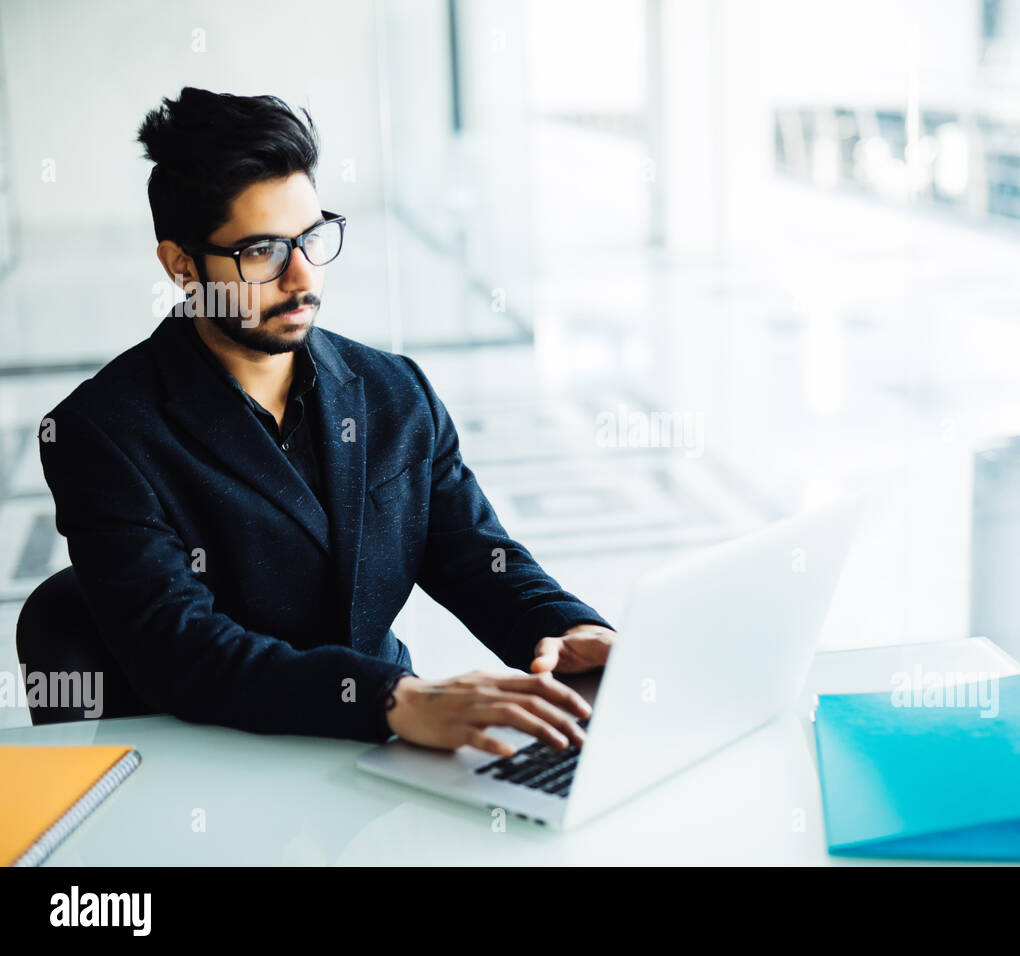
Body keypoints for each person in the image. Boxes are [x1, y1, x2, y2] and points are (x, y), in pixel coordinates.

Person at [36, 87, 614, 757]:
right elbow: (183, 651)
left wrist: (566, 628)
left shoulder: (394, 390)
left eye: (310, 236)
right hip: (218, 761)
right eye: (261, 252)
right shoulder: (104, 434)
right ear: (181, 265)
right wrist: (391, 699)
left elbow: (476, 558)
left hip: (387, 743)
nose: (302, 276)